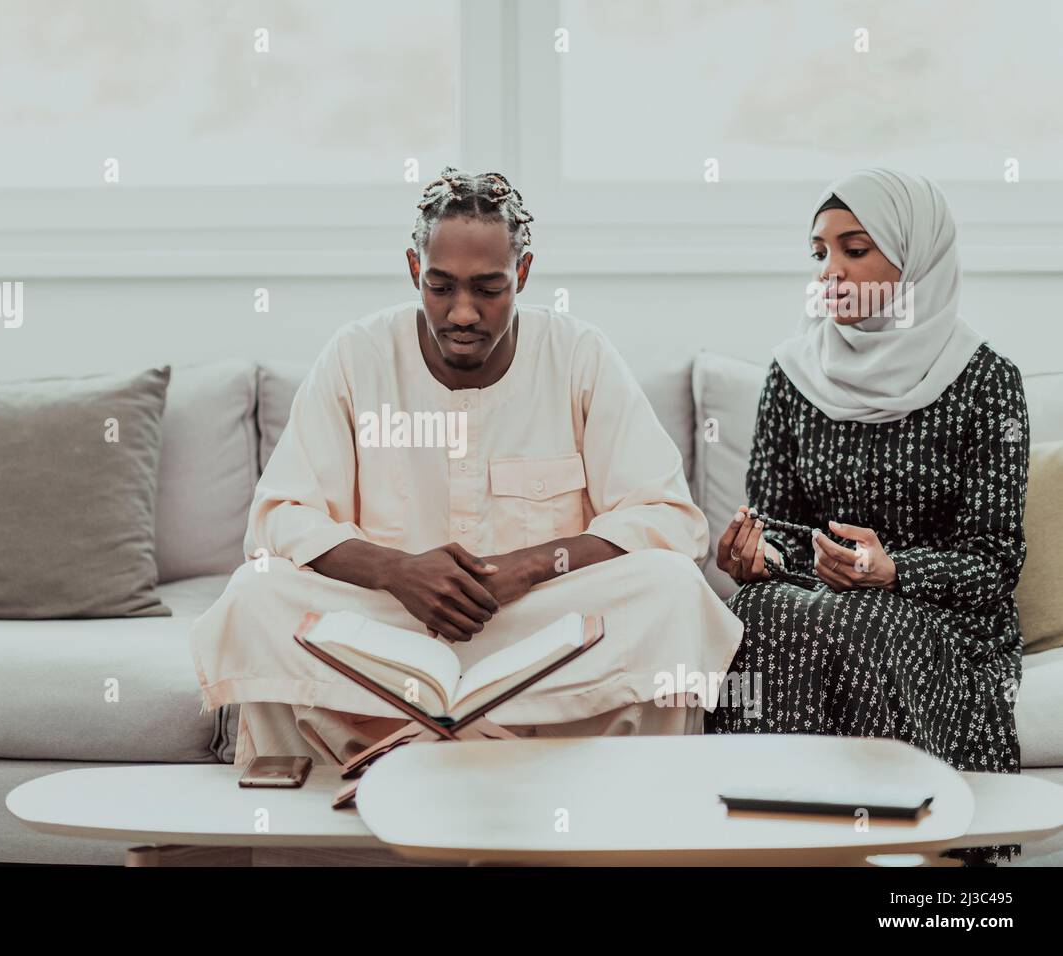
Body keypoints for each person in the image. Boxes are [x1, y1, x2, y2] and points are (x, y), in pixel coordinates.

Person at [190, 167, 742, 765]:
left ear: (522, 274)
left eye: (487, 288)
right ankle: (319, 796)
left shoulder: (578, 355)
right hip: (390, 633)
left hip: (538, 632)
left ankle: (455, 758)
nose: (462, 313)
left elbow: (668, 520)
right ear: (413, 270)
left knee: (673, 588)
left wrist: (529, 567)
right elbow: (278, 520)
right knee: (257, 591)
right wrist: (394, 572)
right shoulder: (357, 355)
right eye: (440, 286)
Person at [707, 169, 1030, 860]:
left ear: (914, 258)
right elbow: (783, 531)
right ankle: (773, 850)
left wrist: (893, 569)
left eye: (855, 249)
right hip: (817, 604)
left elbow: (994, 562)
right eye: (819, 253)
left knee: (857, 622)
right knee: (757, 612)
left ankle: (902, 856)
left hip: (940, 615)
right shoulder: (793, 375)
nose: (832, 271)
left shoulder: (986, 381)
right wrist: (761, 558)